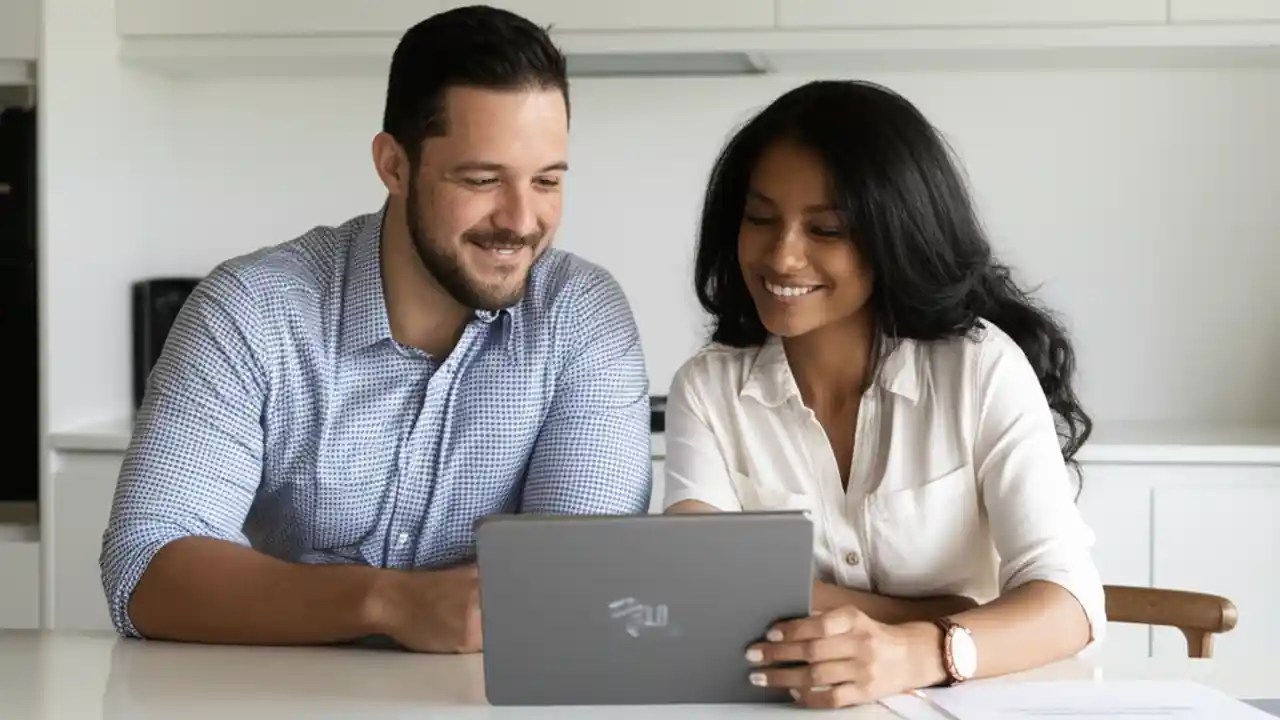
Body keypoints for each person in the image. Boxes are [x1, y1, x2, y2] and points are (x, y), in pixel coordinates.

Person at [100, 6, 652, 653]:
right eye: (481, 180)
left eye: (547, 182)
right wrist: (387, 601)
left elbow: (574, 593)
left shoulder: (581, 317)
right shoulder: (253, 309)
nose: (521, 220)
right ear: (394, 165)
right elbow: (145, 565)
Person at [663, 80, 1106, 709]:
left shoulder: (979, 370)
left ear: (895, 234)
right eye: (761, 218)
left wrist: (919, 648)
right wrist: (943, 610)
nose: (782, 255)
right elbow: (696, 588)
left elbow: (1071, 602)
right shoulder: (708, 389)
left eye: (827, 229)